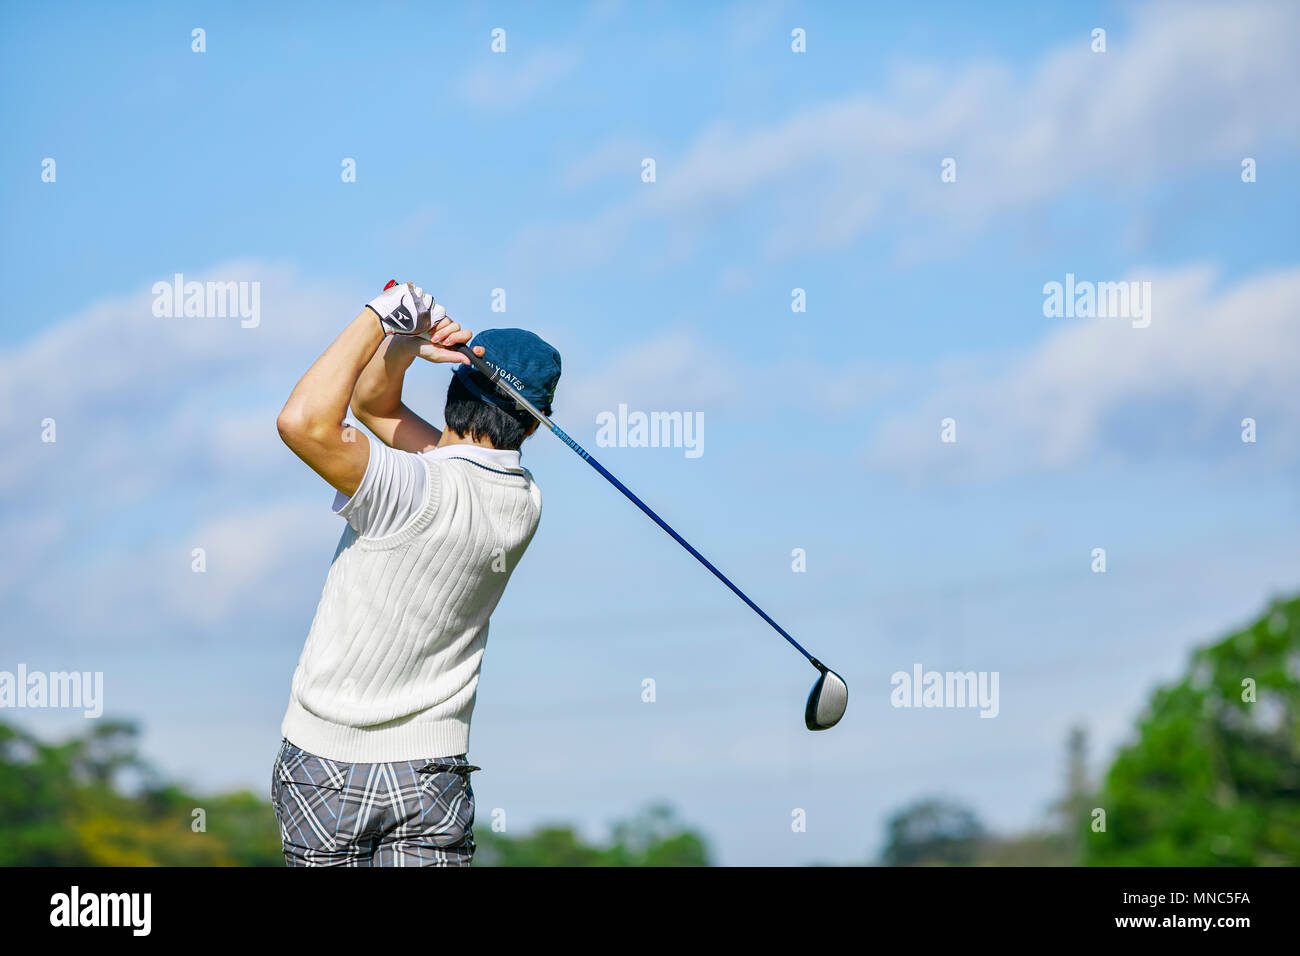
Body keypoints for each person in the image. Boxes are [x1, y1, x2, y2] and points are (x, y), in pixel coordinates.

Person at [271, 281, 561, 866]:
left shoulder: (410, 486)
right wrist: (403, 345)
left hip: (324, 767)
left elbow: (304, 422)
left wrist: (385, 319)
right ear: (533, 427)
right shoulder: (523, 503)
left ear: (455, 383)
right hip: (434, 775)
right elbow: (377, 409)